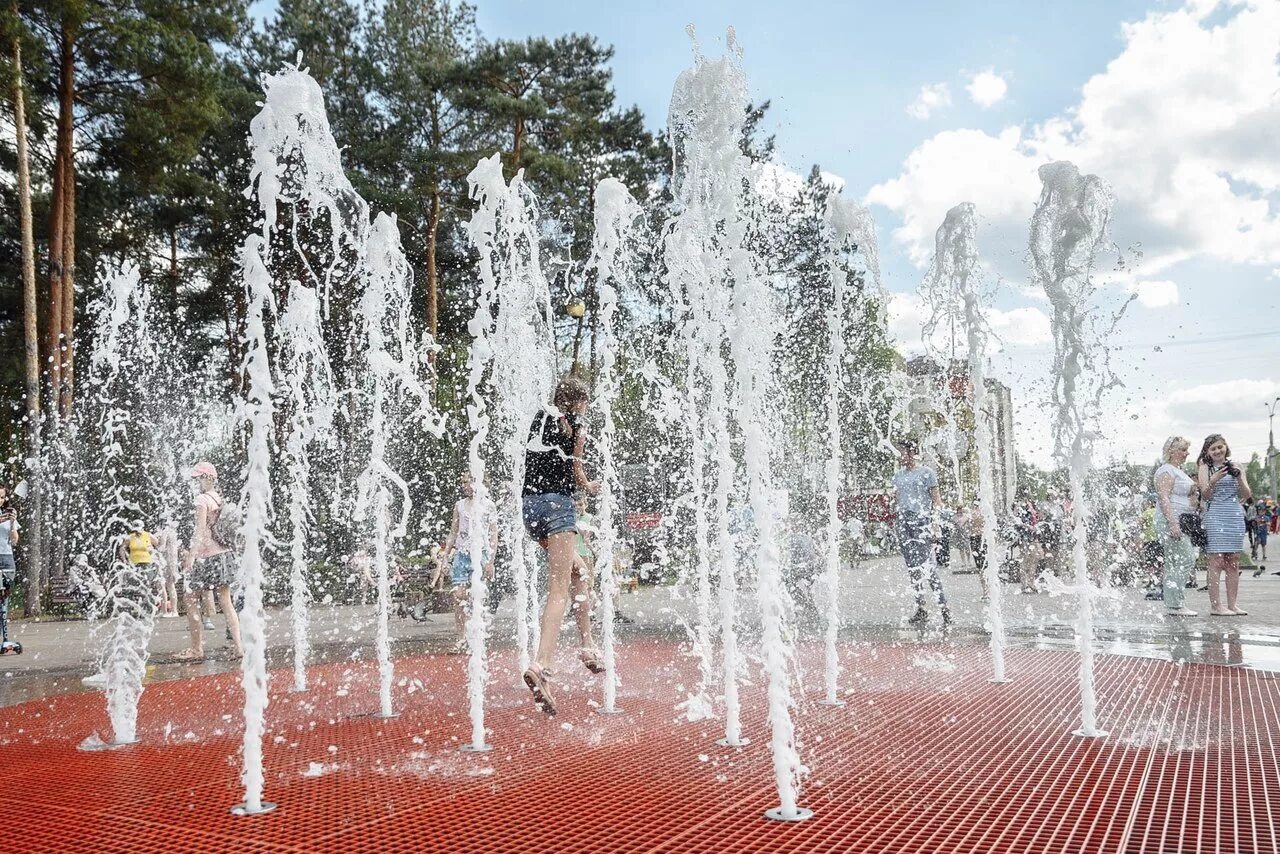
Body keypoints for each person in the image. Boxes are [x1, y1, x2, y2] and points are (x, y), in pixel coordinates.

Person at [520, 375, 602, 715]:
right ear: (580, 403)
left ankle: (587, 645)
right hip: (558, 508)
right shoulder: (577, 428)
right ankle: (541, 665)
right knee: (558, 592)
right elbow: (577, 474)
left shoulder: (539, 420)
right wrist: (591, 487)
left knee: (579, 573)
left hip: (529, 508)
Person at [177, 462, 243, 661]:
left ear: (208, 478)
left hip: (206, 557)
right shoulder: (219, 499)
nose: (197, 482)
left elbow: (199, 532)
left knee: (190, 598)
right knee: (226, 600)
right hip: (224, 555)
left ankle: (197, 648)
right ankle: (239, 647)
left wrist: (190, 556)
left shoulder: (202, 500)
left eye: (199, 478)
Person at [431, 472, 498, 654]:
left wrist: (490, 561)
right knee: (458, 596)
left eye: (466, 481)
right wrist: (445, 558)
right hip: (462, 555)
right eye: (462, 482)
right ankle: (461, 638)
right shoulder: (459, 505)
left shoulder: (488, 506)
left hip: (481, 555)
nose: (463, 485)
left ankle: (478, 637)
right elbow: (453, 533)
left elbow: (493, 535)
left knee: (478, 597)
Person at [891, 440, 950, 628]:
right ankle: (921, 608)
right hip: (903, 522)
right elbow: (898, 500)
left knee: (928, 567)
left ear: (912, 452)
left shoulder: (927, 473)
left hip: (921, 522)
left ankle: (944, 609)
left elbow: (937, 502)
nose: (901, 456)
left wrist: (935, 526)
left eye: (903, 452)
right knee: (913, 569)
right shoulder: (898, 476)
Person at [1197, 434, 1251, 616]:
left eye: (1220, 447)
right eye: (1213, 449)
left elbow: (1246, 494)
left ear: (1226, 447)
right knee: (1216, 560)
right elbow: (1205, 495)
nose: (1217, 451)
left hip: (1234, 515)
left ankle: (1233, 605)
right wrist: (1213, 480)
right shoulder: (1205, 467)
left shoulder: (1236, 466)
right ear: (1208, 452)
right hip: (1216, 515)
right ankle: (1216, 606)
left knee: (1233, 562)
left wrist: (1239, 477)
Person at [1155, 437, 1199, 616]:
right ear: (1172, 451)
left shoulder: (1177, 470)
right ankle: (1175, 604)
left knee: (1175, 562)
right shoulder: (1166, 470)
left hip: (1180, 520)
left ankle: (1174, 604)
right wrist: (1173, 523)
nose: (1187, 453)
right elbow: (1163, 497)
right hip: (1172, 521)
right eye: (1183, 449)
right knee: (1185, 559)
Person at [0, 486, 18, 644]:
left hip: (6, 558)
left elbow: (14, 540)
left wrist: (12, 523)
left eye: (1, 497)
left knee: (4, 600)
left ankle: (4, 638)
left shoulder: (7, 515)